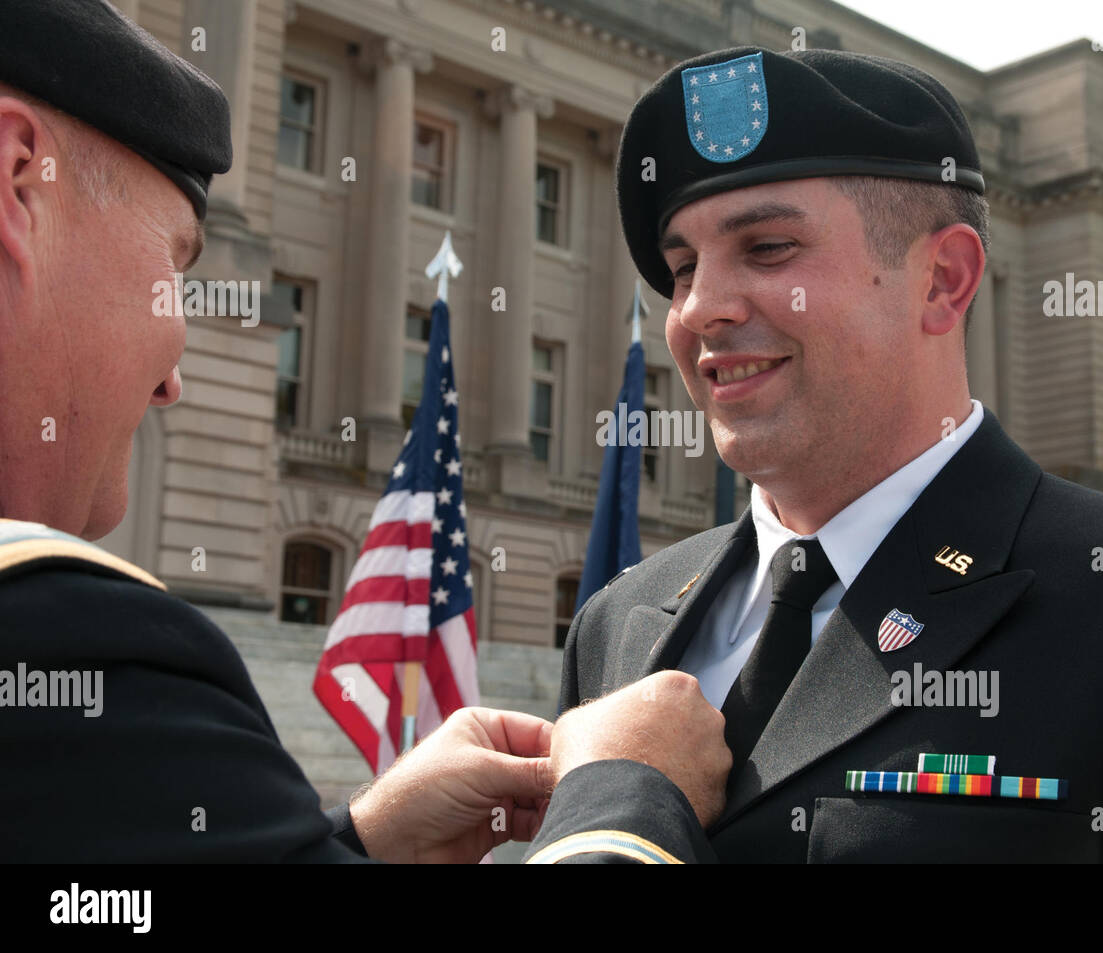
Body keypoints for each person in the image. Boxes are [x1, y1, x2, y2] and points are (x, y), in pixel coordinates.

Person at [524, 45, 1103, 863]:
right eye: (683, 268)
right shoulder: (617, 620)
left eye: (768, 249)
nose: (699, 310)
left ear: (942, 279)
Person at [0, 0, 730, 863]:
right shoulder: (66, 641)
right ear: (21, 182)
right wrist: (628, 796)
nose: (174, 380)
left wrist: (360, 843)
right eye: (176, 259)